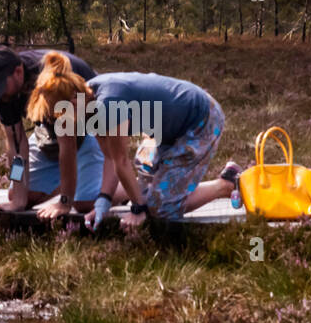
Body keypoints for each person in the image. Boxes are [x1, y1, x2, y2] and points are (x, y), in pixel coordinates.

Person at [26, 52, 239, 229]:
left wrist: (138, 209)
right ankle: (161, 194)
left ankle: (226, 183)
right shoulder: (88, 101)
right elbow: (108, 158)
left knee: (160, 208)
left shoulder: (107, 103)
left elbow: (121, 161)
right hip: (163, 129)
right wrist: (103, 200)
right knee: (144, 187)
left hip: (199, 119)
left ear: (73, 101)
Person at [0, 42, 105, 218]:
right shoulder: (3, 90)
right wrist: (18, 200)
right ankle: (73, 181)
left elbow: (67, 144)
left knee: (84, 204)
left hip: (92, 127)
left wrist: (65, 202)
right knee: (18, 194)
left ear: (18, 72)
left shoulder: (52, 80)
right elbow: (16, 145)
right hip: (48, 134)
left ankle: (118, 183)